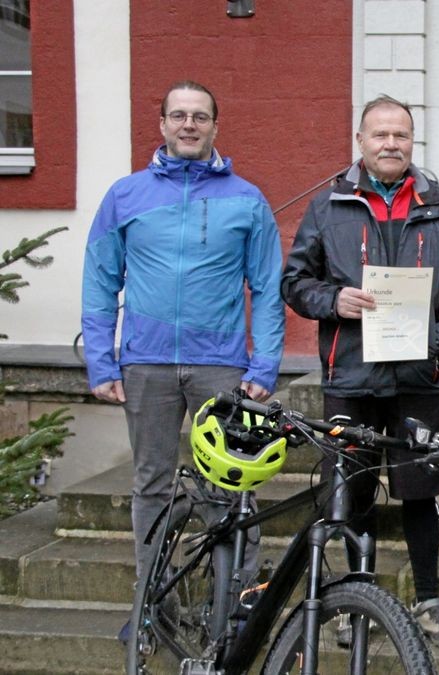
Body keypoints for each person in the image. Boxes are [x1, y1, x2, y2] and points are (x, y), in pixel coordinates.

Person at [81, 81, 285, 638]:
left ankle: (236, 605)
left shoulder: (246, 198)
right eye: (178, 115)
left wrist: (264, 364)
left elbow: (267, 287)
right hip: (144, 365)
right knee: (150, 484)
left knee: (230, 485)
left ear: (216, 126)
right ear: (162, 125)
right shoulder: (125, 196)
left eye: (200, 116)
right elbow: (100, 280)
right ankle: (153, 605)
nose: (189, 125)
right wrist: (101, 362)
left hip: (221, 365)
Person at [281, 94, 439, 649]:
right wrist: (333, 300)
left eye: (400, 135)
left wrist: (438, 338)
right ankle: (355, 598)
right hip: (349, 375)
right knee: (353, 489)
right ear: (360, 142)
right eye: (380, 135)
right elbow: (294, 283)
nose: (391, 144)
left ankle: (428, 598)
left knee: (423, 489)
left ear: (411, 142)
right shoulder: (329, 207)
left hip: (418, 377)